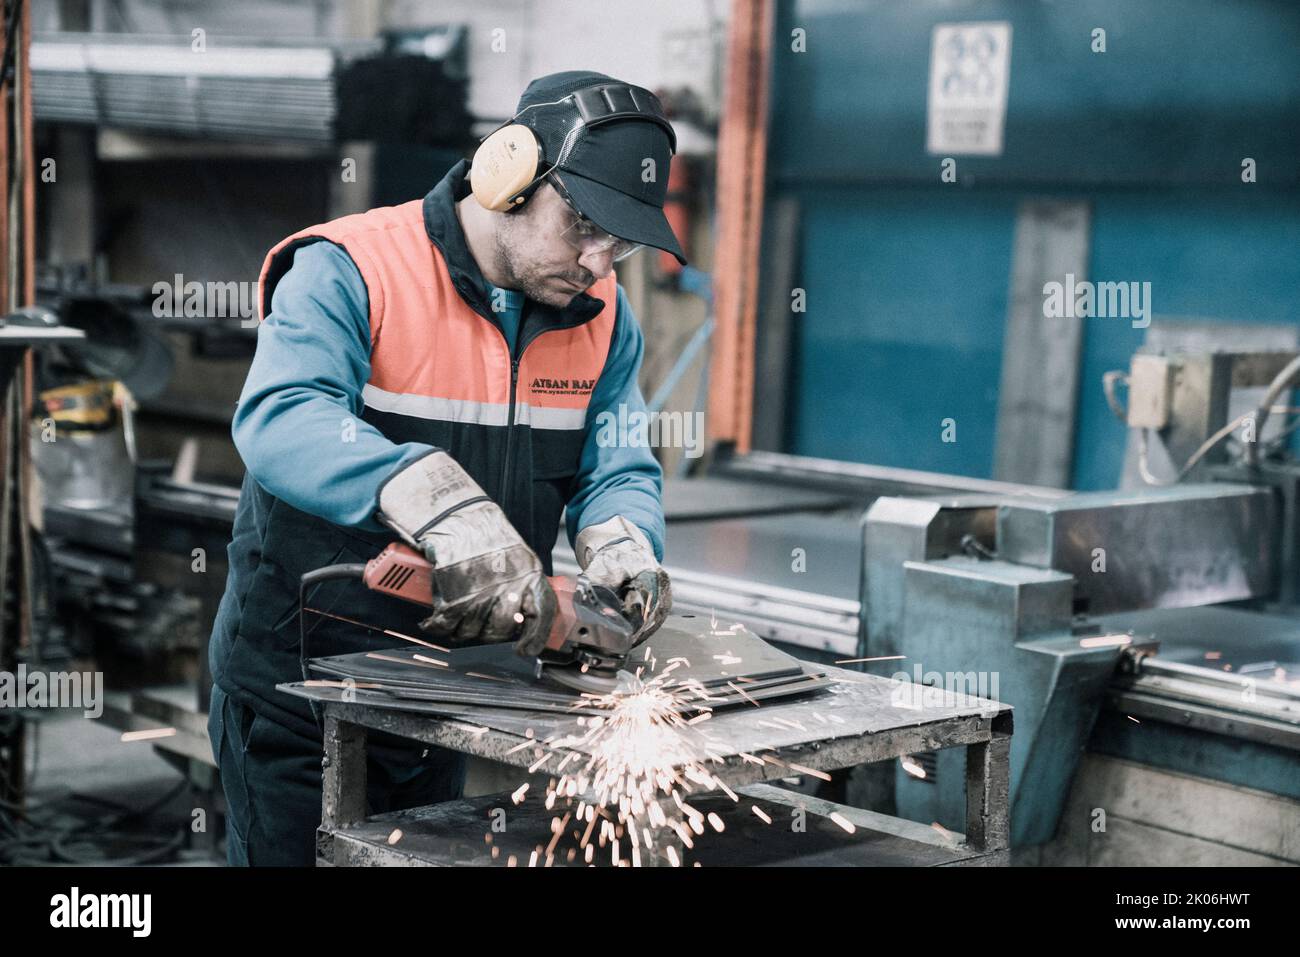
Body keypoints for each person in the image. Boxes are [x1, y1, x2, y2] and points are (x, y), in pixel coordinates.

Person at [206, 70, 684, 865]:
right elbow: (281, 416)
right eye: (583, 224)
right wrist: (429, 494)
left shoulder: (602, 322)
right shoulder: (353, 268)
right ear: (510, 174)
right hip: (301, 697)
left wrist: (626, 539)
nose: (599, 262)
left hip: (448, 694)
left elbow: (618, 458)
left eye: (622, 242)